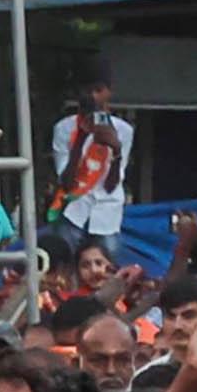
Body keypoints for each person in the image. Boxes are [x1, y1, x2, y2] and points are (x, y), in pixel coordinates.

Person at [45, 74, 133, 258]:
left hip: (106, 213)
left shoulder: (123, 130)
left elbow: (111, 185)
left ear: (109, 92)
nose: (93, 96)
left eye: (99, 90)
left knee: (105, 269)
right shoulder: (64, 128)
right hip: (73, 211)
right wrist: (81, 139)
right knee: (64, 265)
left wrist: (115, 151)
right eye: (88, 91)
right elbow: (66, 183)